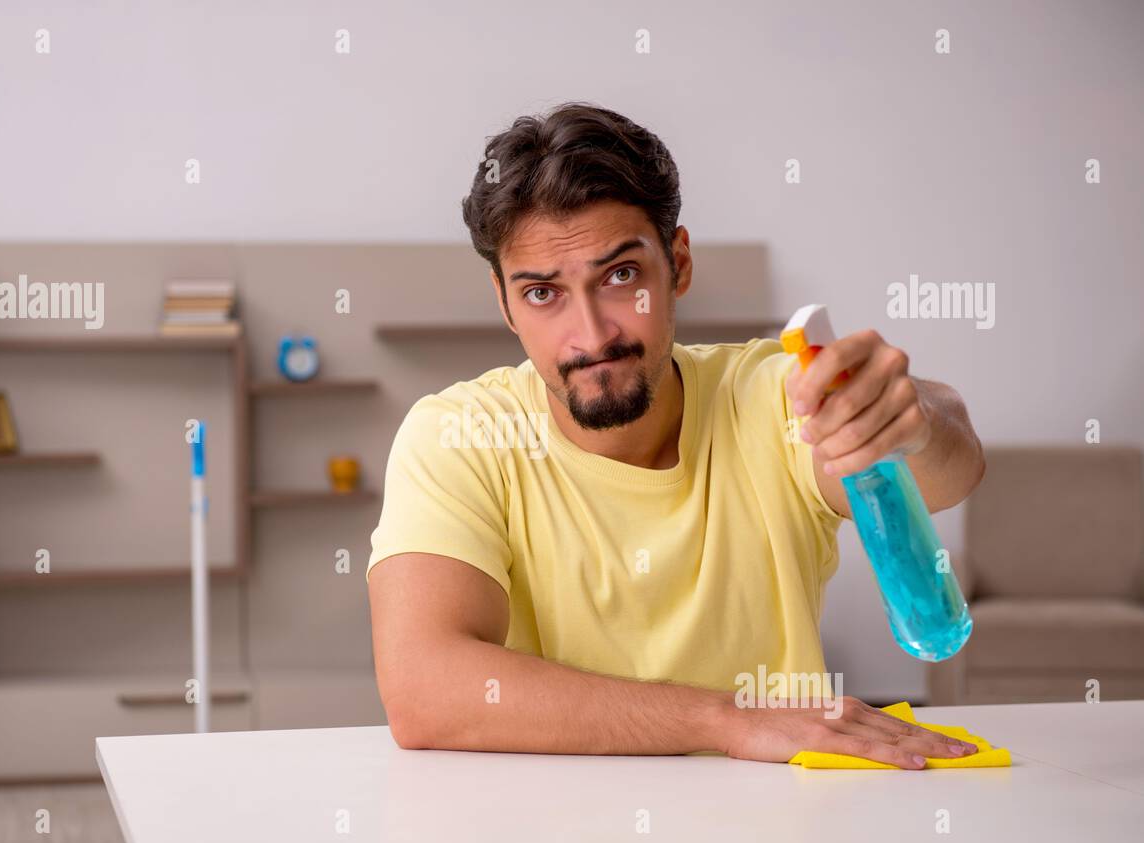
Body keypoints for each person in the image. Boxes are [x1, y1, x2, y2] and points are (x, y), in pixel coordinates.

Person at [366, 102, 986, 768]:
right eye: (543, 292)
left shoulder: (770, 400)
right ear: (505, 302)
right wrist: (724, 719)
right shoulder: (460, 436)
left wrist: (913, 417)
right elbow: (423, 688)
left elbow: (951, 471)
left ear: (678, 264)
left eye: (620, 276)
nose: (592, 333)